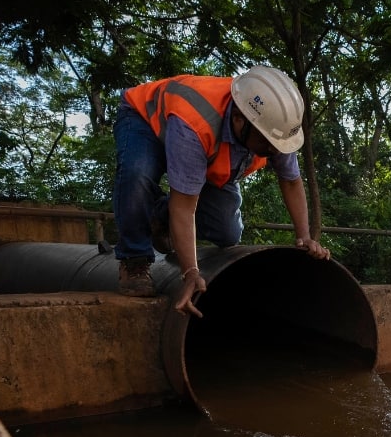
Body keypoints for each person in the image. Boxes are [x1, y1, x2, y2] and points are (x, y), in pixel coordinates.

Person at [111, 65, 331, 316]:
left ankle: (158, 218)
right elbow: (184, 206)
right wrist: (190, 272)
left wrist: (304, 237)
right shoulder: (195, 123)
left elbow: (291, 181)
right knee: (137, 173)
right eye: (267, 145)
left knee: (227, 232)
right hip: (145, 122)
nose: (274, 152)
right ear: (239, 120)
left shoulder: (273, 128)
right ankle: (135, 259)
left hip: (210, 149)